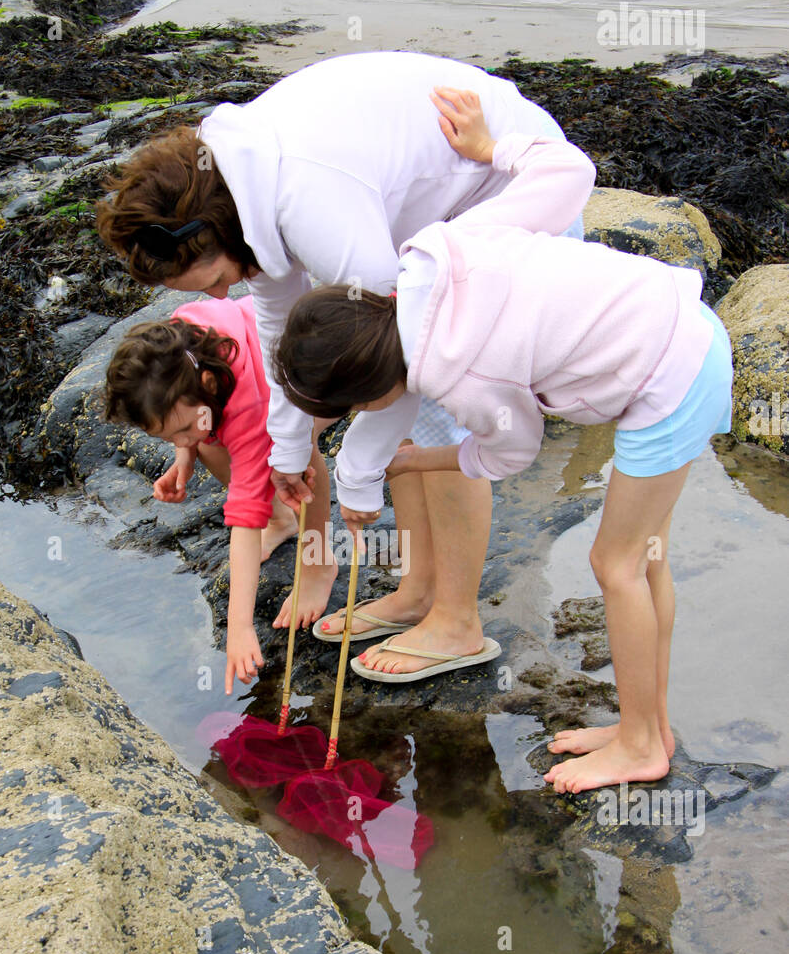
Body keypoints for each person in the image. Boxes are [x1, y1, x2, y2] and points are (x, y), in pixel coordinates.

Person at [271, 90, 733, 793]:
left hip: (666, 380)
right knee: (646, 560)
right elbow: (567, 173)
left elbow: (514, 452)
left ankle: (642, 745)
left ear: (371, 392)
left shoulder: (462, 374)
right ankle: (649, 724)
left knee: (617, 565)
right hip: (682, 326)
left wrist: (424, 456)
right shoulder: (435, 252)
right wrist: (496, 148)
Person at [95, 51, 595, 676]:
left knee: (438, 409)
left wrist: (357, 476)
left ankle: (457, 622)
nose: (219, 299)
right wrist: (286, 450)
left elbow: (400, 350)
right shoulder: (245, 185)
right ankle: (418, 591)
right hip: (432, 219)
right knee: (408, 425)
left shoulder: (309, 202)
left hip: (509, 190)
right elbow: (278, 325)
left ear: (217, 231)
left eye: (217, 279)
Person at [102, 294, 329, 695]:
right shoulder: (181, 348)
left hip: (319, 376)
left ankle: (318, 561)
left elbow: (243, 516)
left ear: (207, 382)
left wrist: (239, 627)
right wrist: (185, 453)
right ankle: (283, 521)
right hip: (243, 390)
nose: (179, 439)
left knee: (296, 452)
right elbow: (196, 426)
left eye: (181, 429)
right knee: (209, 439)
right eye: (168, 436)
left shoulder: (250, 405)